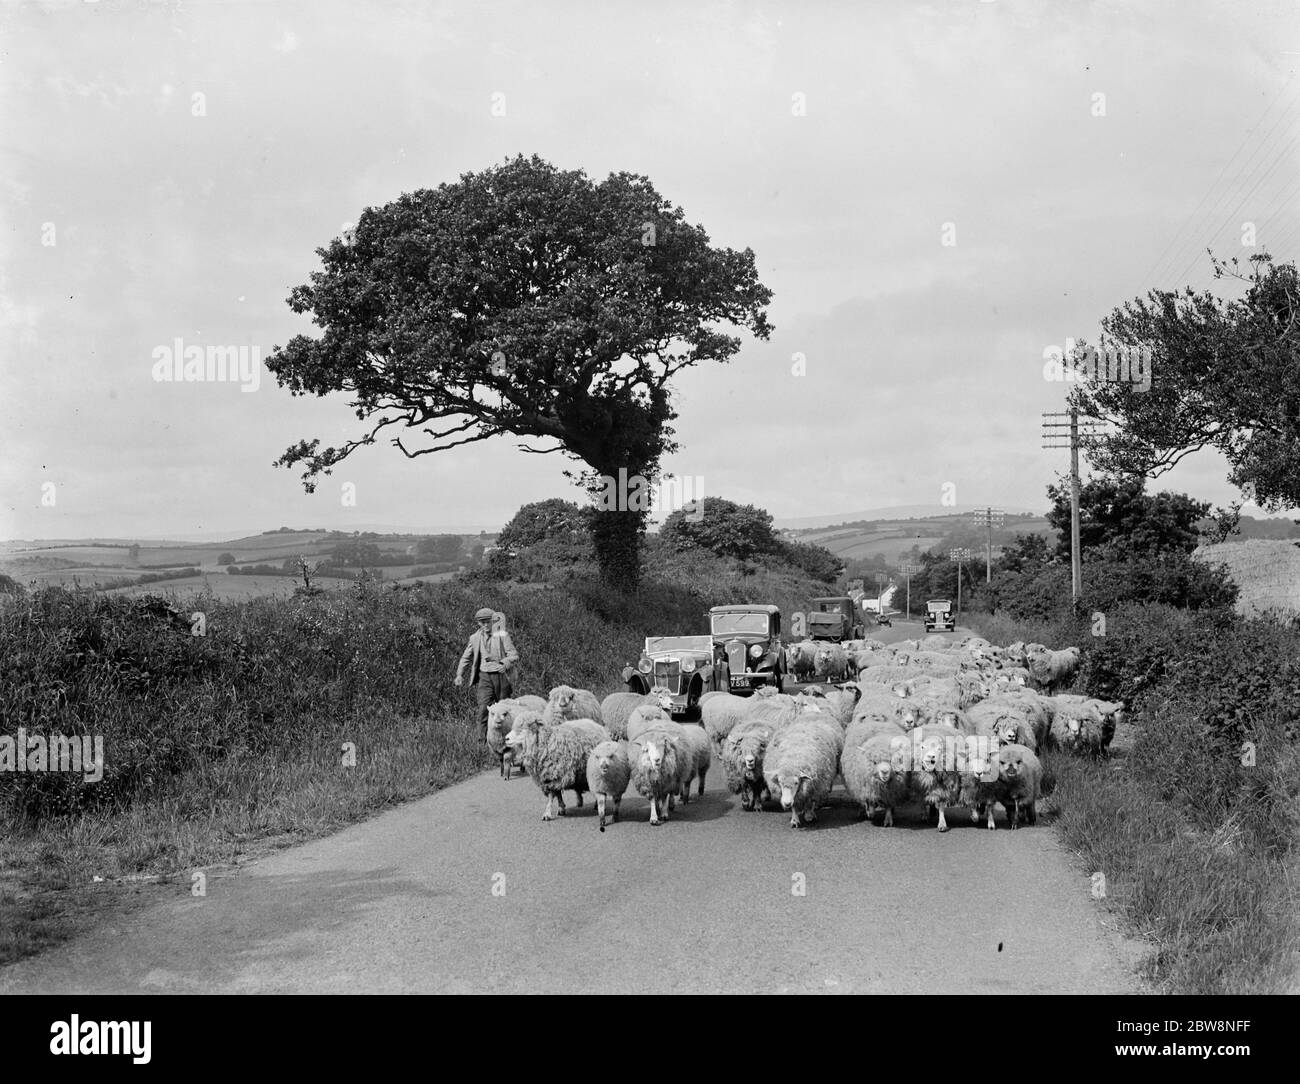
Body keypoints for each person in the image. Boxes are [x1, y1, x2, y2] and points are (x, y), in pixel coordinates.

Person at [455, 607, 519, 739]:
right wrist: (459, 674)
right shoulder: (474, 638)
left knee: (504, 709)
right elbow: (466, 657)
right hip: (484, 677)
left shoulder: (502, 636)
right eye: (481, 622)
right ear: (478, 623)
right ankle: (482, 740)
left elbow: (513, 654)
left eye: (487, 621)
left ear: (493, 621)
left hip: (502, 677)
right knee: (483, 709)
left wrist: (505, 663)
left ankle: (506, 740)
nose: (485, 625)